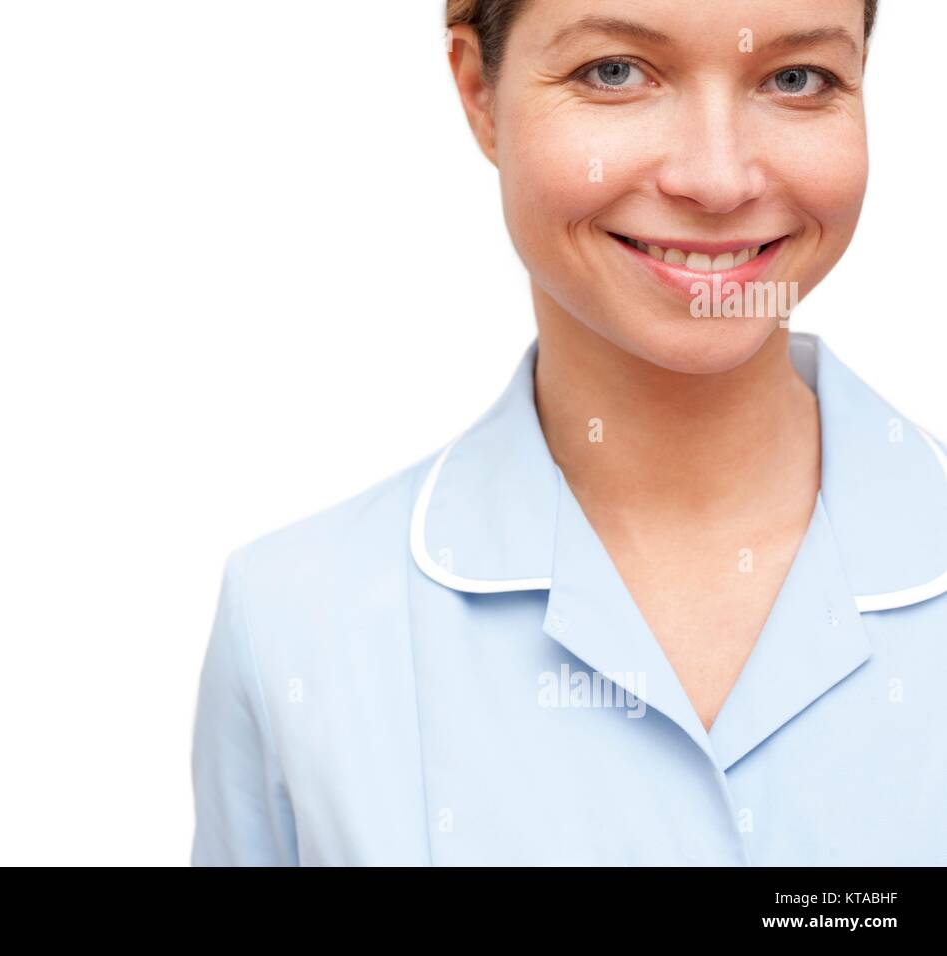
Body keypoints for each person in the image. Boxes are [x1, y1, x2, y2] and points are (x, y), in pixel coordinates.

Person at [191, 0, 944, 865]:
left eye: (795, 78)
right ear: (480, 90)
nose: (719, 177)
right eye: (614, 71)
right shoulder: (294, 625)